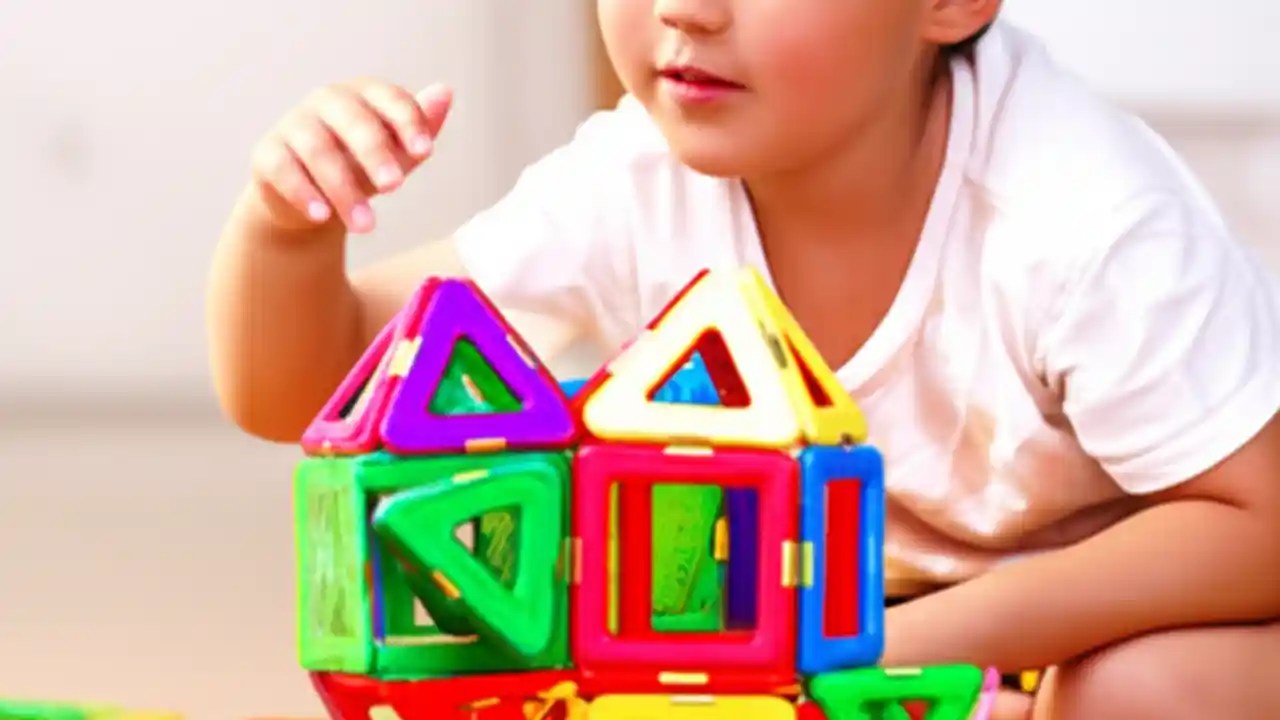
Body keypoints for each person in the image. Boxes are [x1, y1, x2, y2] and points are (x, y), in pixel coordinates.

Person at [206, 1, 1280, 718]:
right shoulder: (633, 178)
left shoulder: (1078, 216)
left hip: (1116, 628)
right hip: (845, 645)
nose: (687, 7)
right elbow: (324, 384)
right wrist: (288, 225)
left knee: (1142, 691)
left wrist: (895, 652)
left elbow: (1256, 525)